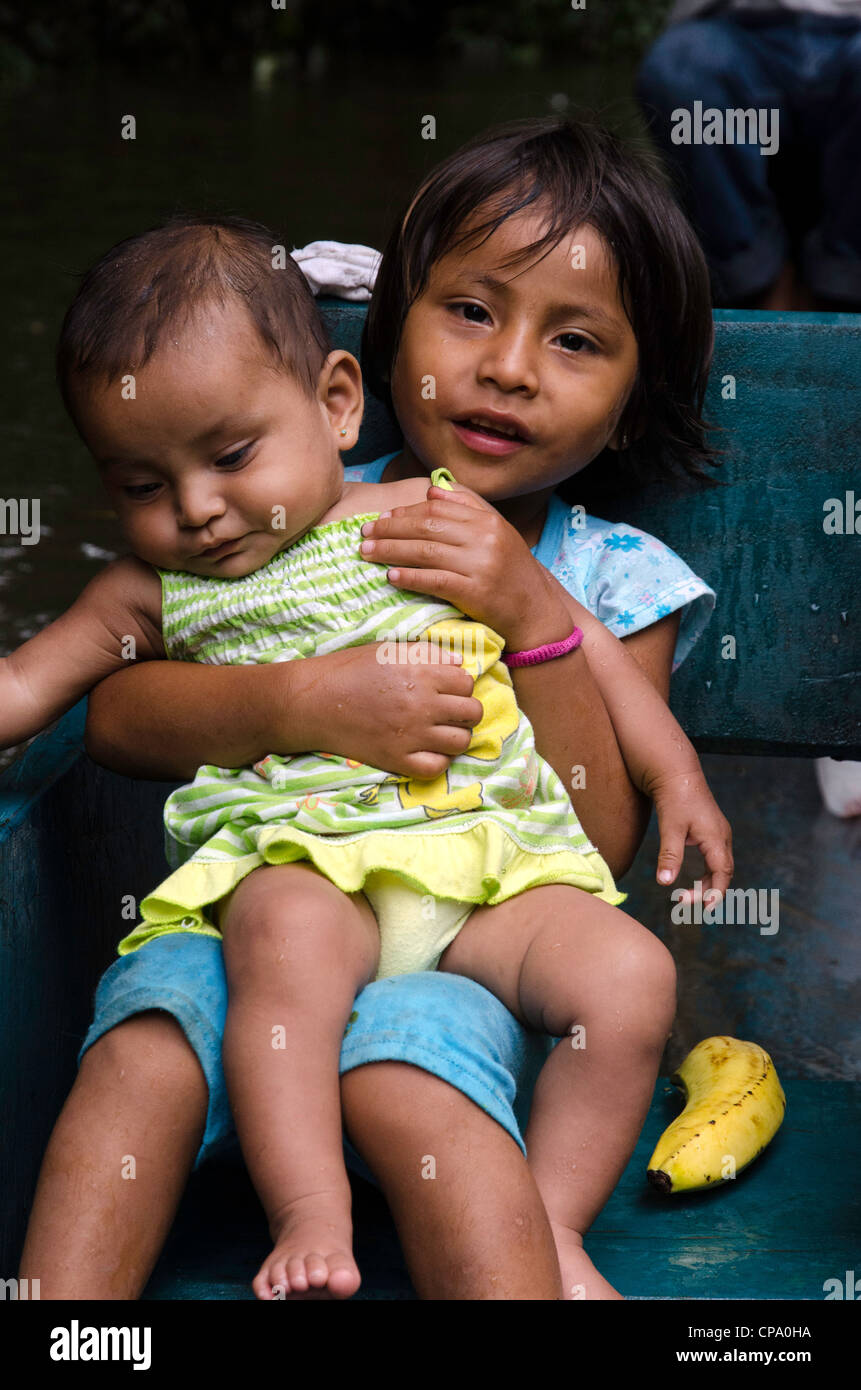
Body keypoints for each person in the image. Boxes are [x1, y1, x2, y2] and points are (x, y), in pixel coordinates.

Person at [18, 118, 733, 1301]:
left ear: (634, 397)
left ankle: (544, 1237)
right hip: (279, 914)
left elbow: (597, 840)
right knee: (153, 1033)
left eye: (573, 340)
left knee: (445, 1051)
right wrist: (303, 700)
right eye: (468, 312)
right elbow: (115, 716)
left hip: (474, 954)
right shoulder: (282, 501)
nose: (507, 366)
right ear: (377, 346)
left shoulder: (621, 576)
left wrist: (530, 608)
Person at [636, 1, 861, 310]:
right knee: (681, 66)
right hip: (728, 27)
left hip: (852, 30)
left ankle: (843, 286)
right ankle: (754, 286)